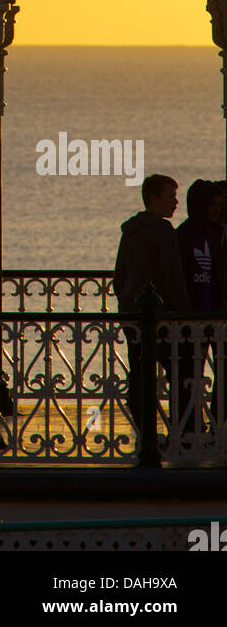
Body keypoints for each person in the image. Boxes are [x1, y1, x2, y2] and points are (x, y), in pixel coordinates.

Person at [113, 173, 192, 442]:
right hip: (160, 318)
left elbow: (119, 276)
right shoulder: (162, 231)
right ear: (154, 198)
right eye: (170, 196)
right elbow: (172, 276)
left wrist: (126, 299)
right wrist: (185, 313)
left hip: (131, 315)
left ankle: (145, 429)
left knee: (140, 373)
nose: (176, 202)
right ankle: (181, 429)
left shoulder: (131, 231)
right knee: (180, 371)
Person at [177, 179, 227, 430]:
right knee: (188, 375)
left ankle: (214, 425)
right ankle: (188, 427)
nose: (216, 210)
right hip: (190, 315)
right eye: (212, 205)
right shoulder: (185, 234)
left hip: (213, 314)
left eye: (219, 205)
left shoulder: (215, 233)